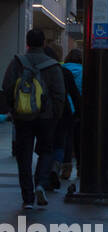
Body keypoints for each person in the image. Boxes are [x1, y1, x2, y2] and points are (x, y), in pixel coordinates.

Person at [1, 29, 66, 209]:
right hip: (46, 116)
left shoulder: (17, 62)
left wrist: (14, 108)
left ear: (27, 43)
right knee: (46, 150)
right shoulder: (53, 65)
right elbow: (59, 93)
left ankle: (27, 198)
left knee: (24, 156)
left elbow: (6, 87)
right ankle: (40, 183)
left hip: (22, 116)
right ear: (44, 43)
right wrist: (55, 115)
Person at [43, 44, 80, 192]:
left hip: (43, 112)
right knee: (64, 140)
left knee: (46, 143)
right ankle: (61, 167)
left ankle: (42, 175)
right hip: (65, 111)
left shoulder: (41, 70)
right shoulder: (65, 72)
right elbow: (76, 94)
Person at [61, 49, 85, 182]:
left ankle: (65, 167)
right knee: (79, 138)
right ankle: (81, 167)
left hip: (64, 107)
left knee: (66, 137)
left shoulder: (62, 69)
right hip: (79, 107)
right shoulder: (84, 71)